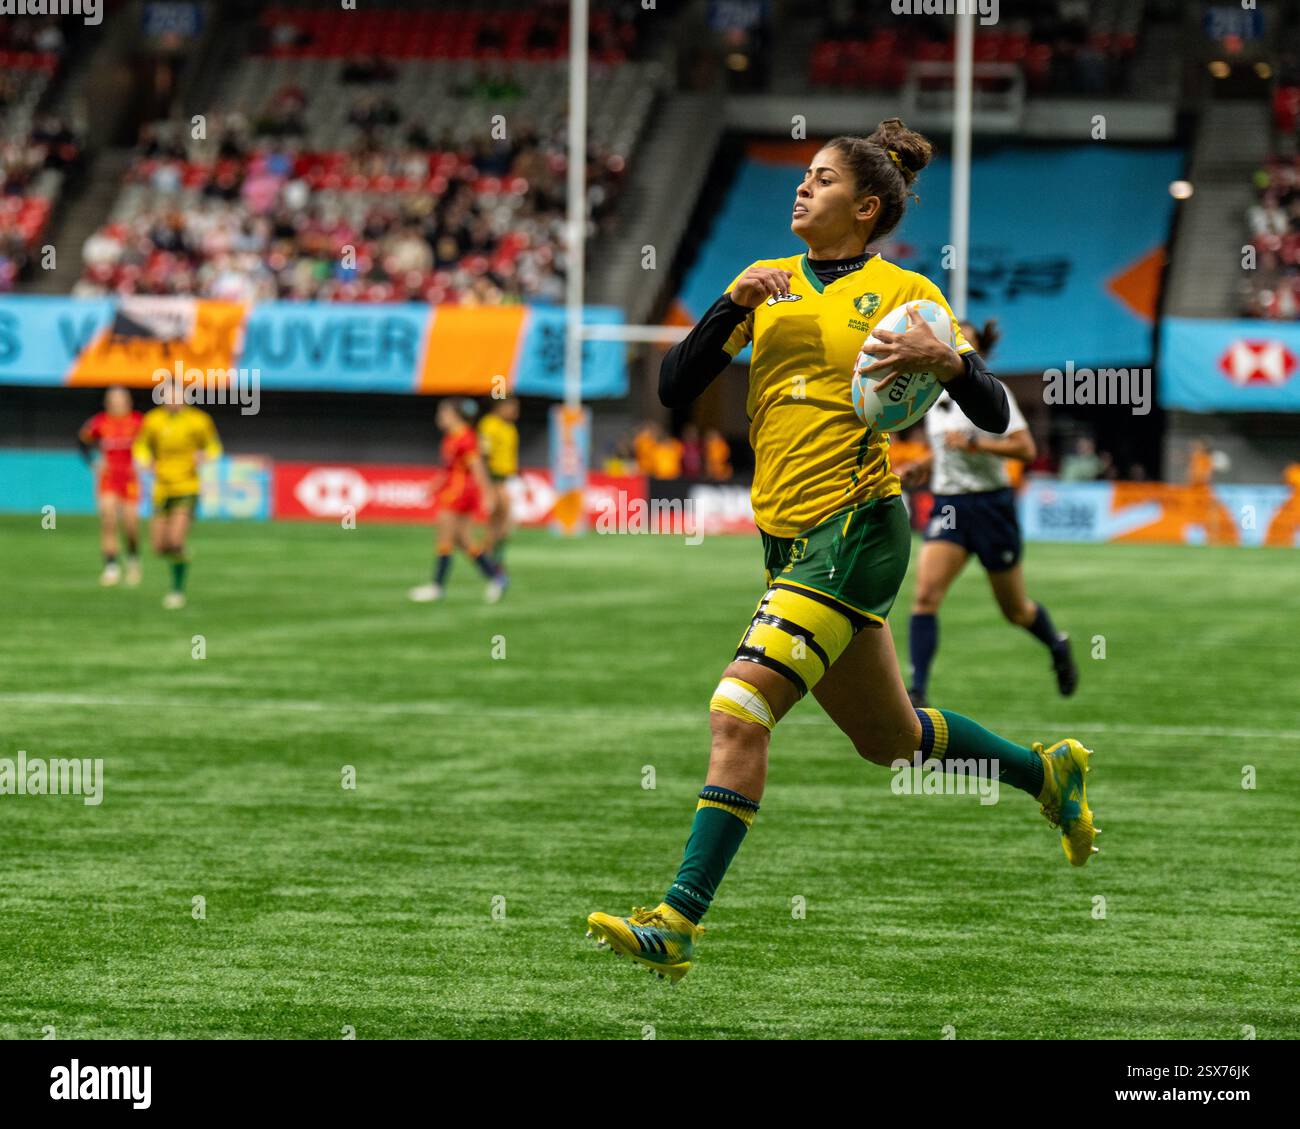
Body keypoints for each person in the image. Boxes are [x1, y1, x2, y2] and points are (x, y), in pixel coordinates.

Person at [585, 120, 1098, 983]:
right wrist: (728, 309)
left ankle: (677, 919)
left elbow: (996, 417)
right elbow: (675, 387)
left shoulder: (906, 295)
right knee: (892, 741)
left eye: (820, 180)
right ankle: (1045, 772)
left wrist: (949, 361)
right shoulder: (768, 283)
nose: (801, 188)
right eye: (803, 175)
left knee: (737, 708)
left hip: (856, 526)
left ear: (863, 208)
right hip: (786, 539)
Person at [900, 320, 1078, 708]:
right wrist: (924, 466)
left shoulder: (995, 395)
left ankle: (1056, 643)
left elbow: (1026, 450)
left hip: (991, 506)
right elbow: (948, 448)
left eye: (965, 340)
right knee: (925, 596)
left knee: (1015, 610)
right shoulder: (932, 395)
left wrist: (978, 446)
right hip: (950, 505)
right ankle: (917, 691)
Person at [132, 383, 222, 609]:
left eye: (178, 396)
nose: (174, 400)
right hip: (162, 488)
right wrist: (144, 460)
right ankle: (182, 555)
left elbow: (214, 447)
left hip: (187, 486)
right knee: (159, 547)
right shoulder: (153, 420)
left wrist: (205, 455)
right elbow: (141, 445)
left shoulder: (199, 421)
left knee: (175, 540)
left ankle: (177, 591)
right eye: (169, 396)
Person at [409, 399, 506, 604]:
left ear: (454, 415)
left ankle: (437, 586)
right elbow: (448, 469)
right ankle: (496, 577)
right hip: (457, 490)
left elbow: (477, 466)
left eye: (443, 413)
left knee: (445, 537)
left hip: (459, 493)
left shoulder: (465, 438)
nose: (440, 417)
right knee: (464, 540)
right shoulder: (452, 438)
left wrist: (487, 492)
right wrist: (433, 486)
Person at [78, 386, 144, 587]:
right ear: (107, 402)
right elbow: (82, 440)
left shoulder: (139, 421)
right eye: (113, 399)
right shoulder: (100, 422)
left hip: (130, 477)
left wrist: (146, 461)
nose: (117, 403)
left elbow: (153, 442)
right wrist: (92, 462)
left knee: (131, 524)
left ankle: (133, 560)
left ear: (128, 401)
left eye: (121, 399)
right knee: (108, 520)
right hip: (108, 477)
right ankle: (111, 567)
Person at [477, 395, 520, 564]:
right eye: (512, 407)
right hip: (494, 479)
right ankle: (490, 558)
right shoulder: (489, 425)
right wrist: (488, 486)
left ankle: (490, 558)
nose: (515, 412)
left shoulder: (510, 429)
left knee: (501, 525)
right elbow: (484, 454)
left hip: (506, 479)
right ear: (499, 406)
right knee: (500, 523)